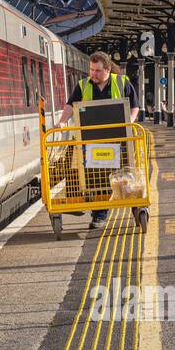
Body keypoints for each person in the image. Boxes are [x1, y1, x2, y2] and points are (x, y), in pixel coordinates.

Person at [64, 51, 140, 229]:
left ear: (107, 69)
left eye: (97, 70)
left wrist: (129, 122)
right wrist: (62, 121)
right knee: (96, 178)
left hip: (119, 140)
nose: (93, 74)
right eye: (91, 70)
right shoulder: (82, 86)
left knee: (126, 175)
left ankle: (137, 207)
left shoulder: (122, 83)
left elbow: (135, 106)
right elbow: (70, 105)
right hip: (92, 142)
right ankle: (99, 215)